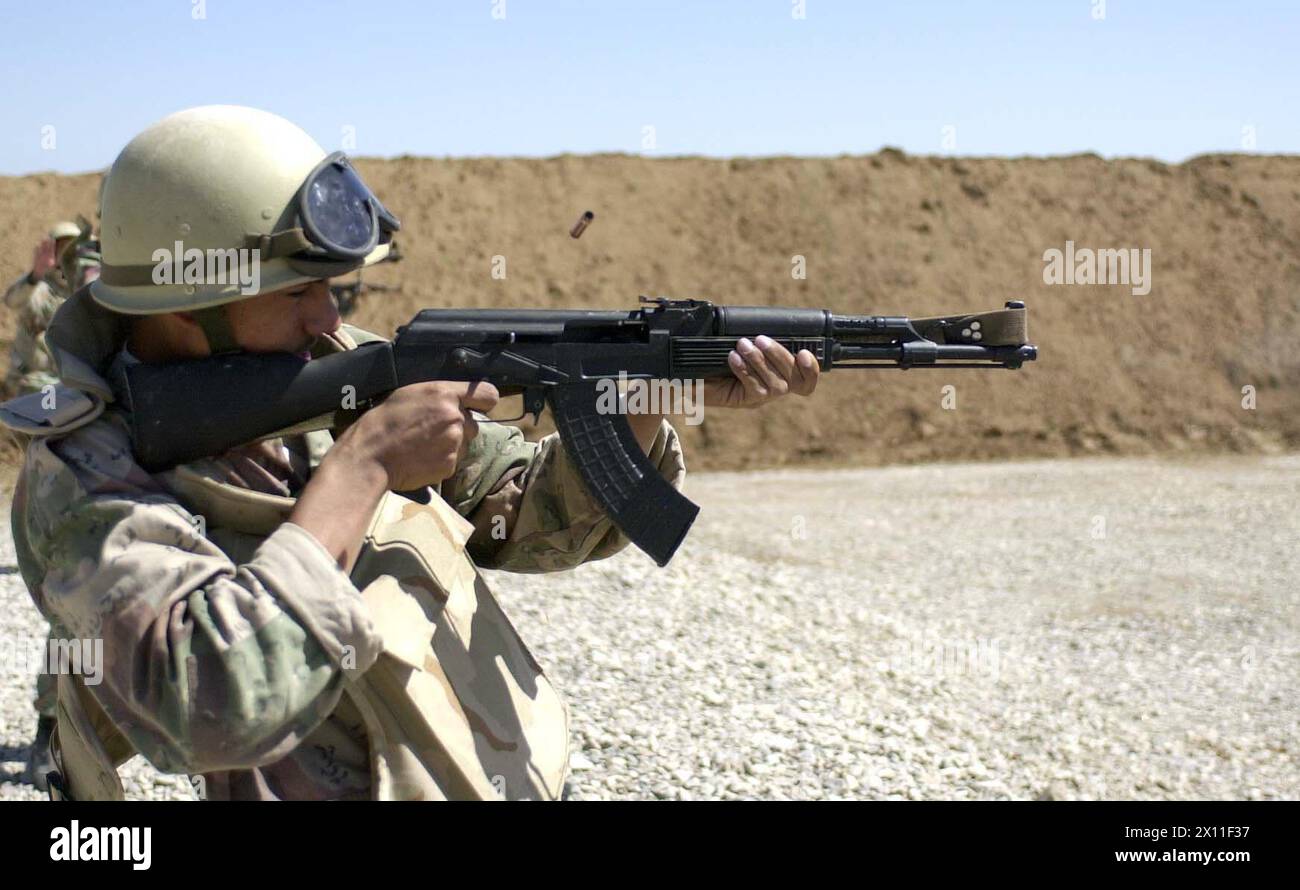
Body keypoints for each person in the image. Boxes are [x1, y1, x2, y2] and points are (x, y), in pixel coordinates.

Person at [2, 105, 819, 800]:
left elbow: (520, 517)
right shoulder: (83, 475)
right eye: (297, 293)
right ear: (186, 304)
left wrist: (639, 397)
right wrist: (364, 470)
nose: (328, 319)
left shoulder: (325, 367)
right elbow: (214, 708)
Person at [3, 221, 99, 398]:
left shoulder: (87, 291)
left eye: (74, 249)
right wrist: (35, 275)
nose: (68, 256)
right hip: (32, 383)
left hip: (68, 387)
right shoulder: (38, 287)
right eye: (63, 249)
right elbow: (12, 301)